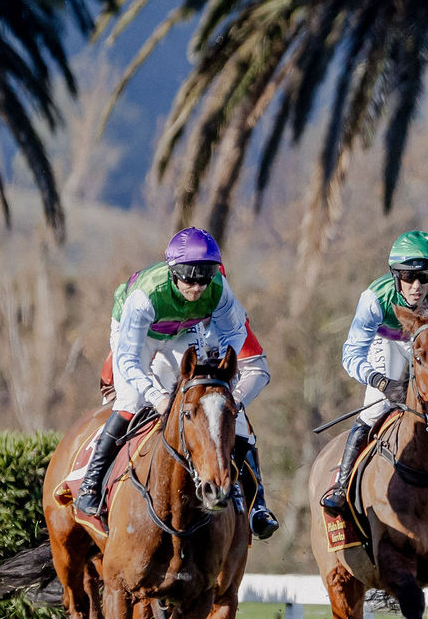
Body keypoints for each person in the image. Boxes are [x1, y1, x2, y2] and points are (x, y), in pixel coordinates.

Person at [76, 227, 280, 539]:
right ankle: (90, 487)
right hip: (139, 333)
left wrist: (217, 361)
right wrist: (155, 395)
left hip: (184, 331)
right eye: (189, 277)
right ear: (174, 272)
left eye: (205, 276)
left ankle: (253, 501)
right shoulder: (145, 297)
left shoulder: (218, 289)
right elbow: (128, 361)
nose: (197, 286)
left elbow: (236, 333)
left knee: (203, 403)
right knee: (131, 401)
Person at [320, 230, 428, 515]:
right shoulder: (374, 297)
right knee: (375, 410)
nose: (416, 286)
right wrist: (381, 382)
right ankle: (342, 485)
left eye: (425, 277)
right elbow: (351, 355)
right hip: (387, 345)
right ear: (395, 275)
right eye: (408, 277)